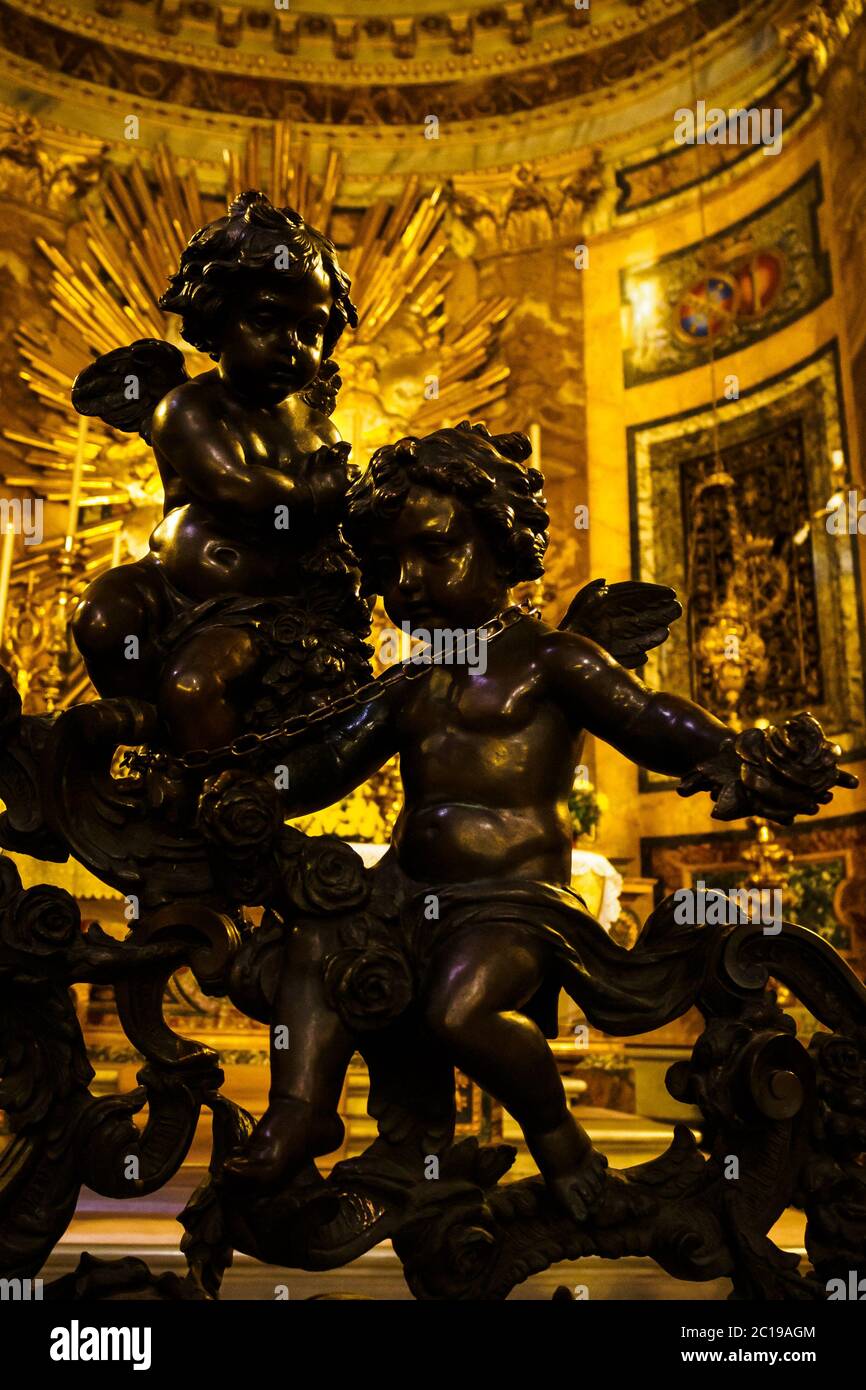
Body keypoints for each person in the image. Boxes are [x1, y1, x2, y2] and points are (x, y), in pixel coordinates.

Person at [225, 421, 855, 1220]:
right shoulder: (409, 683)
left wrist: (738, 754)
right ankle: (298, 1111)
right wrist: (241, 783)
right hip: (405, 892)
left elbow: (651, 717)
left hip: (512, 903)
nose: (409, 582)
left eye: (433, 550)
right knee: (319, 936)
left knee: (461, 1010)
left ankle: (559, 1137)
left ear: (499, 541)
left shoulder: (552, 658)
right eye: (390, 567)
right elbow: (325, 764)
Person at [70, 191, 358, 750]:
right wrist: (320, 492)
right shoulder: (187, 408)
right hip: (165, 587)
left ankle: (219, 789)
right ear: (215, 315)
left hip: (261, 610)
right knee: (100, 616)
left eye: (312, 331)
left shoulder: (319, 429)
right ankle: (150, 735)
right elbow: (234, 487)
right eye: (267, 319)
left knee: (195, 684)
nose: (291, 347)